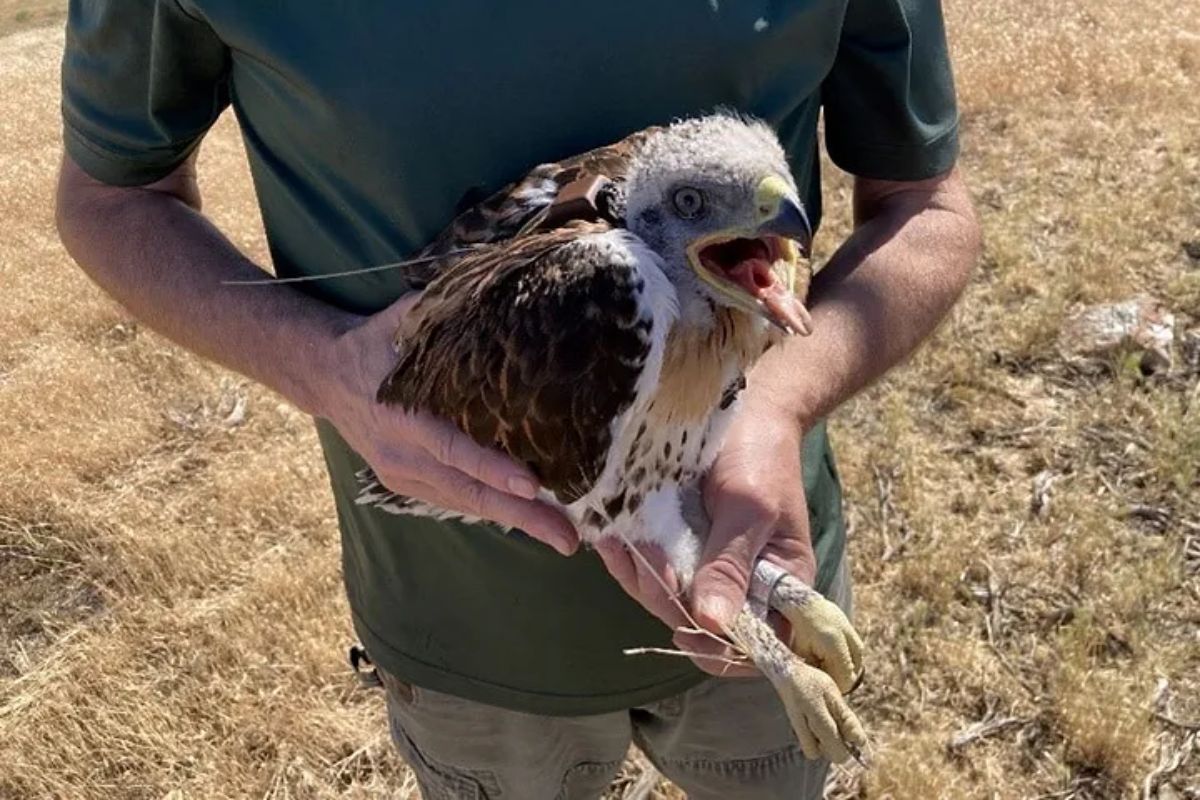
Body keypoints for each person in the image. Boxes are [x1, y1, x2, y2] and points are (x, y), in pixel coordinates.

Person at [55, 2, 981, 798]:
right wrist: (323, 367)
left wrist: (775, 406)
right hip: (463, 626)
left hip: (757, 540)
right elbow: (109, 198)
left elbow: (926, 205)